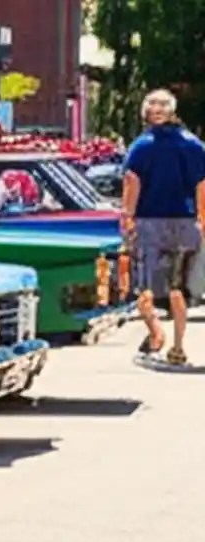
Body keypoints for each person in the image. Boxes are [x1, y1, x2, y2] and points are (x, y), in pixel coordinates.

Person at [122, 89, 205, 366]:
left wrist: (127, 218)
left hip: (150, 223)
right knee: (178, 288)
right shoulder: (194, 145)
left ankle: (156, 334)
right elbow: (202, 186)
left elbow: (132, 183)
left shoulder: (141, 146)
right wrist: (202, 220)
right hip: (186, 223)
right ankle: (179, 347)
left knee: (145, 286)